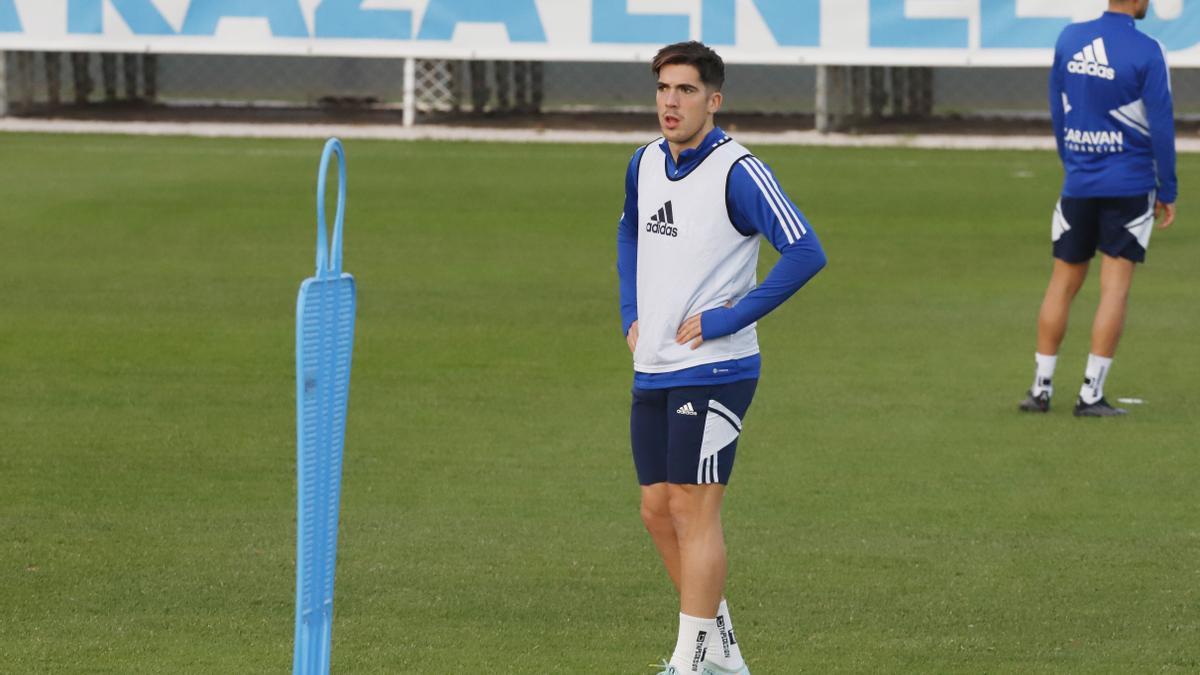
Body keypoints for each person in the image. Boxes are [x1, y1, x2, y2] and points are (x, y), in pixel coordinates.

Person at [616, 41, 827, 674]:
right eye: (662, 90)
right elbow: (629, 228)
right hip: (653, 361)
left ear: (714, 99)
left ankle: (687, 662)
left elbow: (805, 251)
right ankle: (723, 650)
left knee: (693, 504)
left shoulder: (740, 171)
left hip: (717, 368)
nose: (670, 103)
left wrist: (729, 318)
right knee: (657, 509)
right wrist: (630, 313)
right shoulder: (645, 162)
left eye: (684, 91)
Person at [1020, 0, 1177, 417]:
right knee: (1115, 287)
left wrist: (1069, 159)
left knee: (1062, 282)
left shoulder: (1070, 38)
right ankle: (1090, 394)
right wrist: (1170, 186)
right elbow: (1161, 122)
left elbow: (1058, 106)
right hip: (1129, 184)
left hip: (1080, 180)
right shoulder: (1148, 50)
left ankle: (1040, 389)